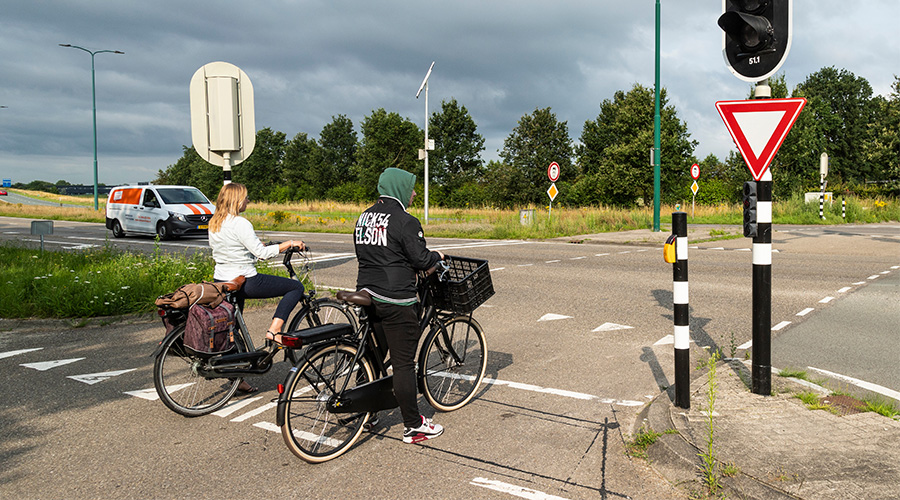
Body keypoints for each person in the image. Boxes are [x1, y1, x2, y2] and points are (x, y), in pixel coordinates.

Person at [353, 167, 445, 443]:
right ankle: (413, 425)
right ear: (399, 189)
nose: (415, 193)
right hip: (396, 298)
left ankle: (366, 413)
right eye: (411, 188)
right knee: (404, 363)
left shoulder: (364, 216)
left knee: (372, 355)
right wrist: (436, 255)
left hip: (368, 292)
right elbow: (420, 259)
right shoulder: (406, 221)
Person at [207, 183, 306, 393]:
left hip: (221, 282)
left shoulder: (215, 222)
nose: (248, 200)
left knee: (230, 328)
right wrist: (288, 243)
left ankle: (236, 378)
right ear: (236, 200)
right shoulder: (240, 223)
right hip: (245, 281)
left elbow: (234, 249)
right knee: (295, 287)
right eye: (245, 197)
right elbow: (261, 253)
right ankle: (274, 330)